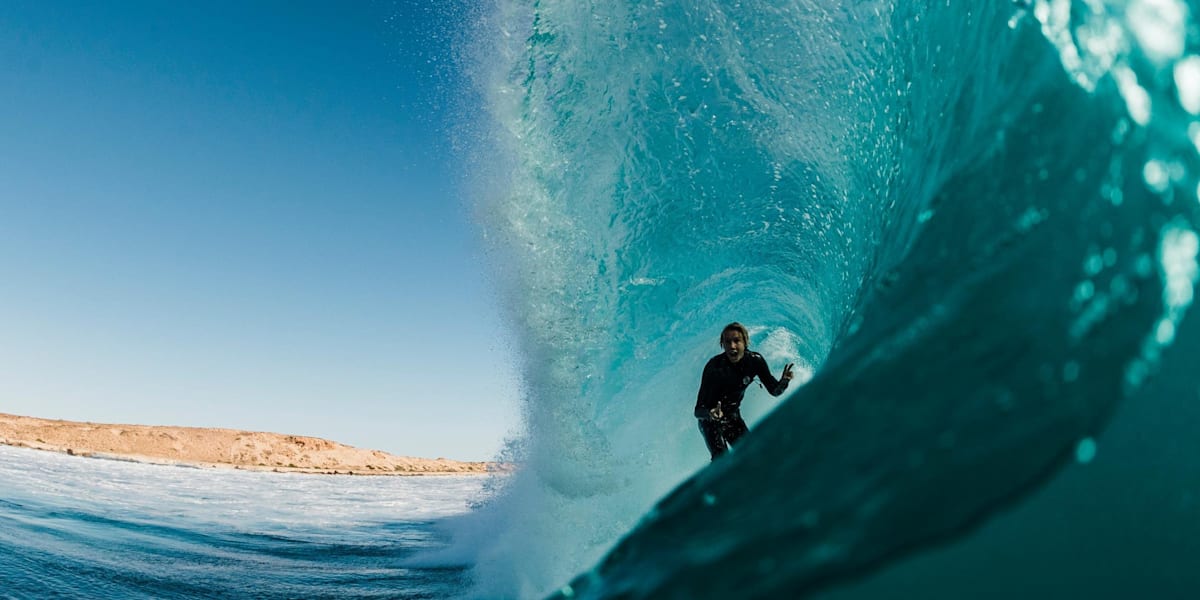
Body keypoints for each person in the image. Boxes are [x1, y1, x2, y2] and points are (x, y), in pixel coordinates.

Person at [694, 322, 794, 460]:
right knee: (721, 458)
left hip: (733, 417)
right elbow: (698, 410)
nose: (732, 346)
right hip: (710, 421)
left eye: (736, 341)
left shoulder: (755, 361)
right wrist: (710, 413)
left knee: (751, 455)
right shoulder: (714, 368)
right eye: (727, 342)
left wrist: (784, 381)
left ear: (745, 342)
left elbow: (774, 391)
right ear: (722, 344)